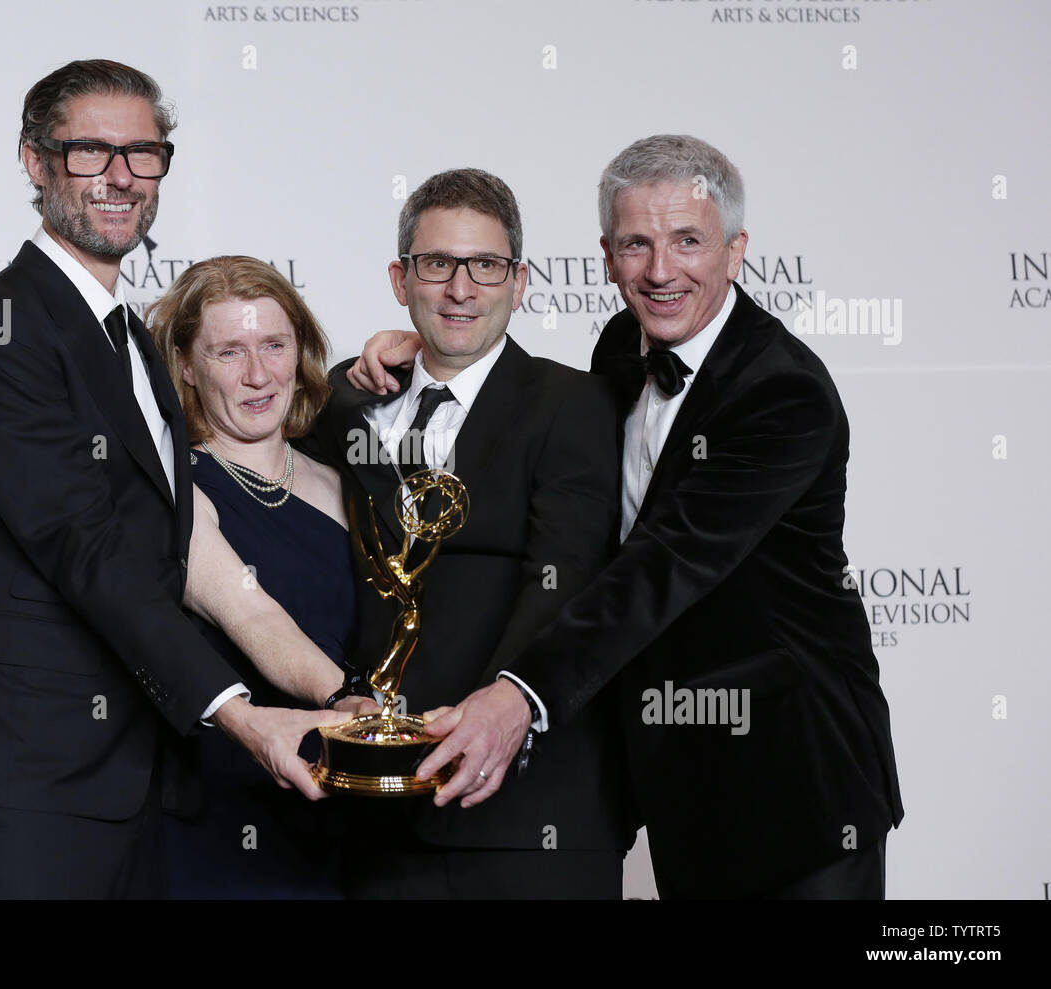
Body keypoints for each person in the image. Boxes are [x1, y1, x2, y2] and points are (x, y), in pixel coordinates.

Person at [381, 135, 904, 899]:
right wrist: (423, 356)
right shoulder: (624, 345)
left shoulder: (783, 393)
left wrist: (517, 693)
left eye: (688, 241)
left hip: (799, 781)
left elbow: (663, 566)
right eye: (637, 244)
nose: (661, 271)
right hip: (677, 777)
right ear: (606, 254)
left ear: (735, 251)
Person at [0, 60, 345, 899]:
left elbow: (184, 553)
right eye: (91, 152)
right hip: (25, 774)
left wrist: (347, 699)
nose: (122, 176)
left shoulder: (130, 339)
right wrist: (241, 714)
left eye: (143, 153)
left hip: (137, 776)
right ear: (34, 162)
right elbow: (84, 544)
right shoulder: (4, 327)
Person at [314, 168, 629, 899]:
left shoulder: (573, 403)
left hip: (526, 816)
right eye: (437, 264)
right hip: (375, 814)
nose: (461, 288)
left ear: (519, 283)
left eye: (486, 265)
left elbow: (570, 575)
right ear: (402, 279)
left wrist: (501, 708)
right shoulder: (342, 401)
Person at [147, 255, 363, 898]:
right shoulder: (175, 488)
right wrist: (356, 705)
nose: (258, 374)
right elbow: (251, 613)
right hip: (227, 813)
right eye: (228, 352)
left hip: (345, 809)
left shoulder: (348, 481)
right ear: (186, 365)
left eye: (274, 344)